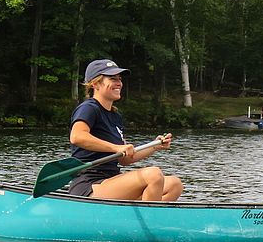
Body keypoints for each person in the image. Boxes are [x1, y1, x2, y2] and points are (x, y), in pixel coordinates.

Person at [68, 59, 182, 201]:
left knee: (174, 184)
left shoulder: (115, 116)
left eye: (119, 79)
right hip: (89, 184)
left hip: (112, 181)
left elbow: (125, 159)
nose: (119, 83)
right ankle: (148, 220)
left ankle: (143, 216)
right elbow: (77, 136)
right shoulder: (89, 108)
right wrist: (115, 147)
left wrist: (155, 146)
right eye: (112, 78)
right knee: (153, 174)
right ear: (95, 83)